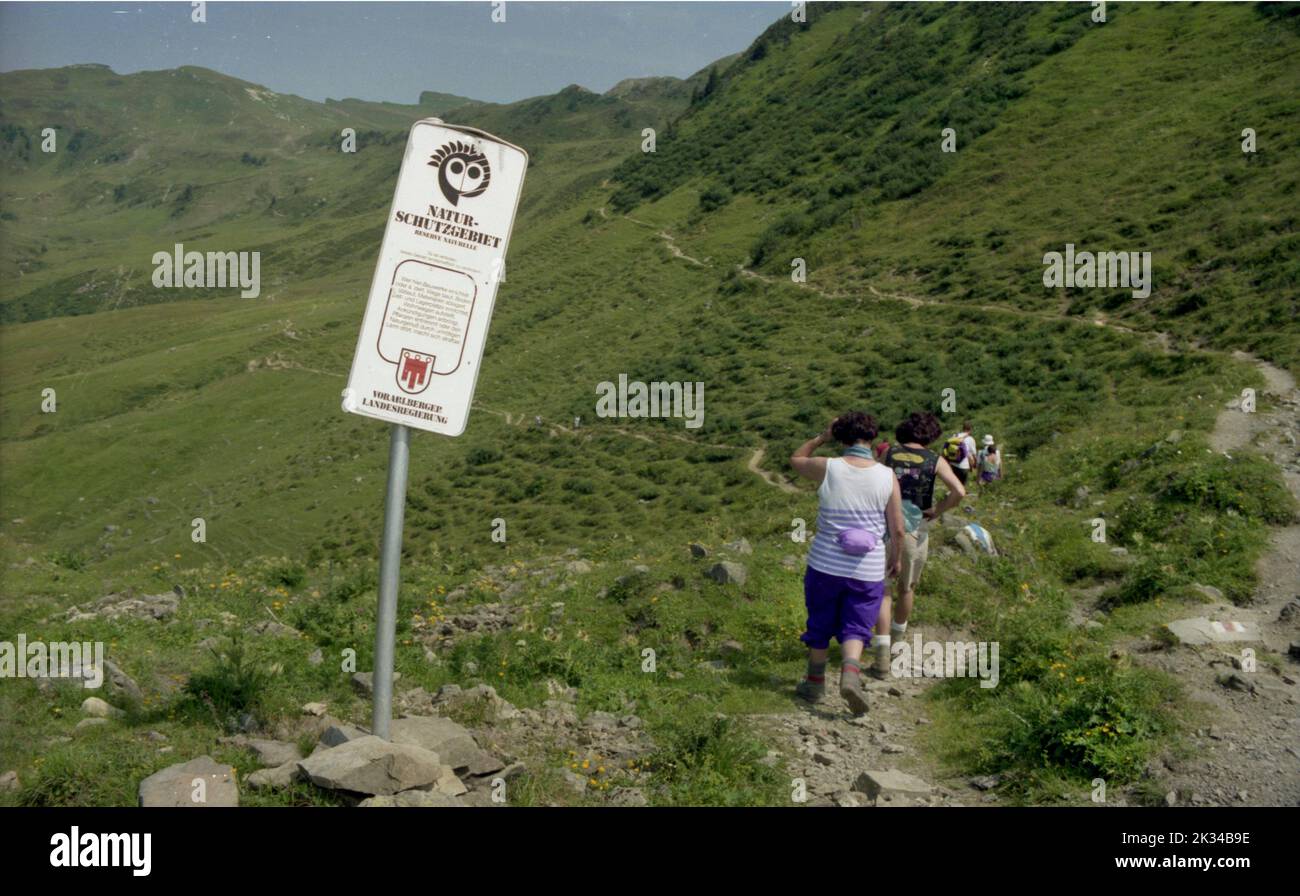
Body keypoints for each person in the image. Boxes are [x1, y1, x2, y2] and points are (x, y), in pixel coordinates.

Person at [790, 412, 904, 714]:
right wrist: (896, 559)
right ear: (872, 438)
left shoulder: (828, 467)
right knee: (857, 623)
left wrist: (821, 438)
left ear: (841, 437)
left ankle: (815, 683)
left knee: (820, 619)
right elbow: (898, 528)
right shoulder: (886, 475)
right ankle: (850, 675)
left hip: (825, 563)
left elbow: (796, 459)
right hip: (867, 567)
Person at [870, 412, 966, 677]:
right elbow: (959, 491)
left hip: (884, 527)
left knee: (884, 589)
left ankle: (880, 655)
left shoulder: (888, 454)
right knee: (907, 587)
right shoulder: (935, 460)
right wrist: (937, 510)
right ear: (930, 435)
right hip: (914, 529)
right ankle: (898, 647)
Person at [943, 422, 978, 487]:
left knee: (955, 485)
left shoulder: (955, 436)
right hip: (963, 466)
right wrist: (975, 465)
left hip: (953, 464)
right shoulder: (970, 439)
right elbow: (974, 454)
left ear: (963, 428)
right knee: (962, 486)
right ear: (970, 429)